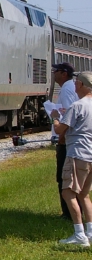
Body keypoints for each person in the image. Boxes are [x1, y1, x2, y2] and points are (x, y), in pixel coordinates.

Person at [55, 70, 92, 247]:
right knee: (84, 194)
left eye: (77, 83)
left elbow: (60, 129)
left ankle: (79, 234)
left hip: (77, 154)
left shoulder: (78, 105)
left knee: (68, 192)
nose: (75, 86)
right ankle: (91, 232)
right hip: (91, 155)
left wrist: (55, 118)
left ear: (83, 85)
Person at [51, 62, 79, 218]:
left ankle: (68, 214)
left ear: (63, 73)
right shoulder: (69, 87)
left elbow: (67, 118)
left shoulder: (67, 89)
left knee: (64, 177)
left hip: (65, 141)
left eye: (55, 71)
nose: (53, 73)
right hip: (68, 140)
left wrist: (61, 138)